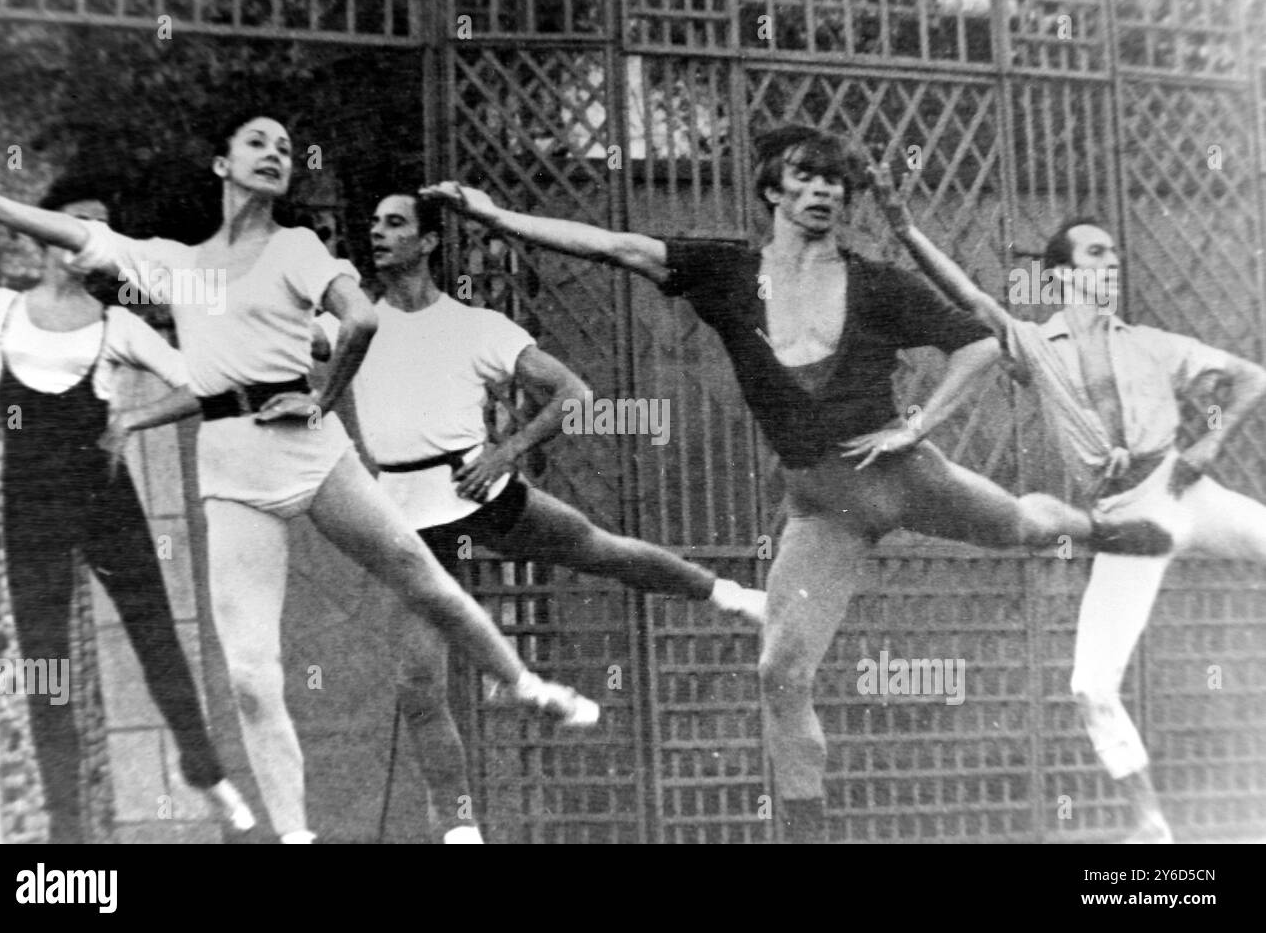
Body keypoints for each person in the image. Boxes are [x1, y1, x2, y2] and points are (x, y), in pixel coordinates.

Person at [421, 124, 1175, 843]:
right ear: (773, 193)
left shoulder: (878, 285)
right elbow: (615, 246)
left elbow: (977, 344)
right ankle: (806, 832)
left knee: (1025, 525)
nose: (824, 193)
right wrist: (496, 216)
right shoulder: (724, 275)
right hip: (822, 511)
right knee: (780, 671)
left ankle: (1103, 528)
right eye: (807, 178)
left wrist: (918, 423)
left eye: (836, 183)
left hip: (909, 478)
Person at [0, 113, 599, 845]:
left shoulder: (297, 246)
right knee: (250, 677)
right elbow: (86, 238)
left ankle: (525, 683)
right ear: (221, 164)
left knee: (421, 577)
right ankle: (295, 837)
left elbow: (358, 320)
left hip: (314, 450)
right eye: (257, 144)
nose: (274, 154)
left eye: (286, 149)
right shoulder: (179, 264)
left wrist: (322, 398)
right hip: (232, 467)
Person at [315, 191, 766, 843]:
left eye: (394, 224)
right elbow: (271, 344)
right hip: (407, 520)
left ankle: (727, 594)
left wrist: (507, 450)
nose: (377, 234)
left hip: (480, 489)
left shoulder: (475, 326)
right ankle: (461, 828)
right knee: (418, 681)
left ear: (430, 242)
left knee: (600, 549)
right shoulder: (352, 325)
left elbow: (573, 393)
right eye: (374, 224)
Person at [868, 164, 1266, 843]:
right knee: (1089, 683)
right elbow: (965, 294)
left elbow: (1251, 377)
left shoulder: (1150, 343)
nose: (1111, 264)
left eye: (1114, 255)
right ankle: (1150, 824)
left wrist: (1206, 445)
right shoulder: (1033, 342)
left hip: (1185, 490)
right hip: (1124, 523)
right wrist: (904, 226)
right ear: (1059, 275)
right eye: (1095, 254)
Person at [0, 178, 252, 842]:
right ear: (42, 230)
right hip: (30, 507)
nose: (87, 239)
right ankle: (66, 828)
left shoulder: (118, 325)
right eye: (76, 223)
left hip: (104, 500)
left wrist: (133, 416)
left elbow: (212, 386)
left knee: (156, 633)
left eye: (101, 228)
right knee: (46, 663)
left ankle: (203, 768)